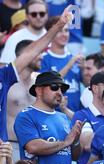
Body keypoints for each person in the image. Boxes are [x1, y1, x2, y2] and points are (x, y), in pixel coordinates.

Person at [13, 71, 83, 164]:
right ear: (38, 90)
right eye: (54, 87)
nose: (59, 92)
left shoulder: (63, 118)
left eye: (62, 89)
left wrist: (76, 140)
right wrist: (65, 142)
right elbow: (33, 146)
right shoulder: (26, 115)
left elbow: (75, 155)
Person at [1, 8, 74, 142]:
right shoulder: (6, 79)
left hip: (35, 149)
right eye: (37, 54)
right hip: (10, 145)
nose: (40, 57)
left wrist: (59, 25)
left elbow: (33, 52)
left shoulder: (34, 80)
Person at [39, 16, 83, 112]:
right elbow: (47, 86)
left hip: (76, 117)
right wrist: (68, 65)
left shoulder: (75, 58)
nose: (64, 34)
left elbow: (87, 84)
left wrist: (85, 69)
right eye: (60, 31)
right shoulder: (43, 59)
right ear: (50, 33)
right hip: (53, 116)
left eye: (66, 30)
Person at [0, 0, 48, 65]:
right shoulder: (15, 38)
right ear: (27, 16)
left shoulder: (54, 37)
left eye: (42, 14)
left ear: (47, 15)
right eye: (34, 14)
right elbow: (3, 68)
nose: (38, 17)